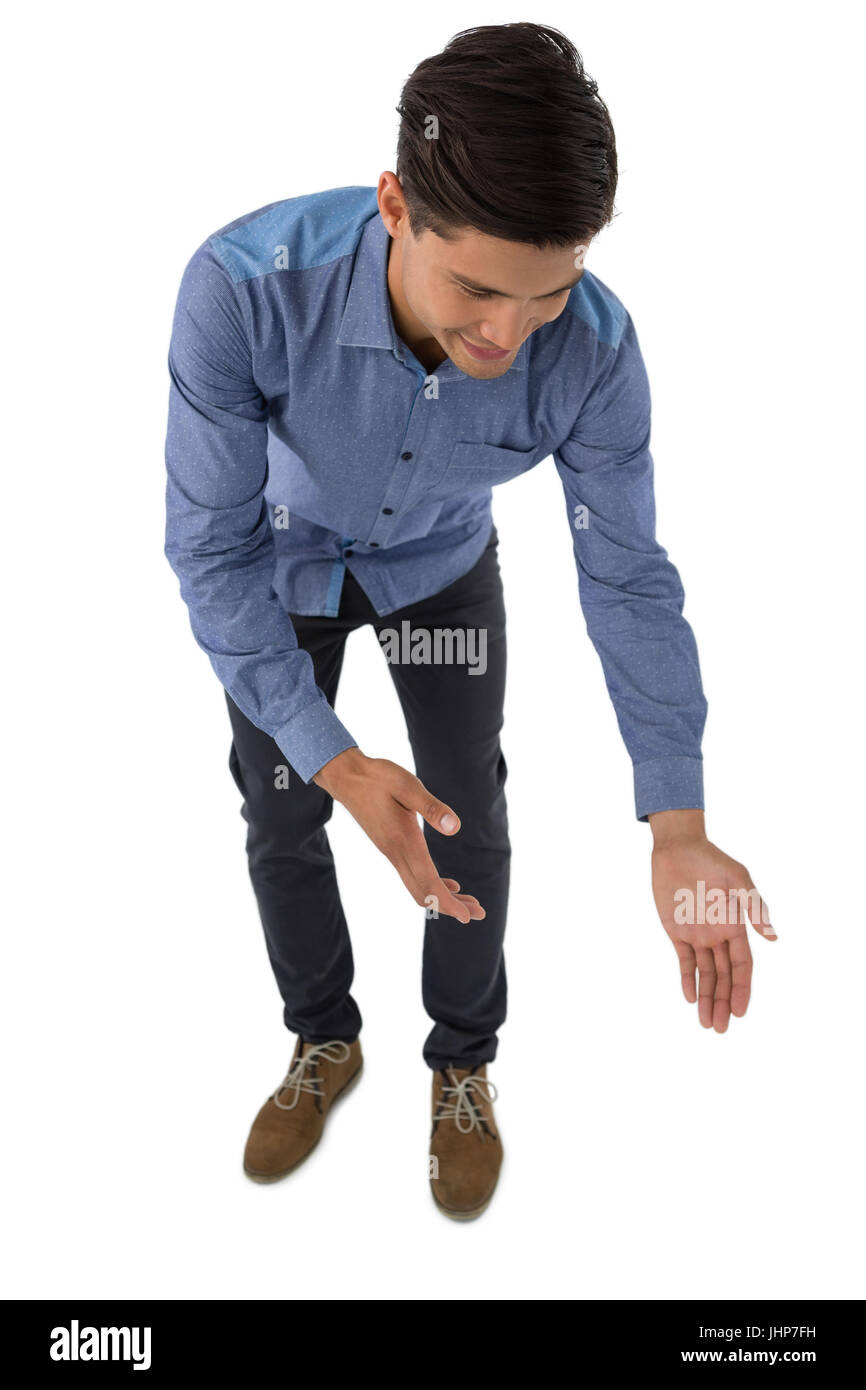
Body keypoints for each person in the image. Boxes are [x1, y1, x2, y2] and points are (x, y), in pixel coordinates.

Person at [164, 21, 775, 1221]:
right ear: (396, 204)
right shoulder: (241, 289)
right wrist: (333, 758)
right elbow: (208, 548)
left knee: (464, 809)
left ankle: (461, 1062)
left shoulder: (592, 352)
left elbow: (628, 576)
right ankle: (322, 1040)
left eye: (545, 296)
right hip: (274, 579)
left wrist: (678, 825)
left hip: (437, 578)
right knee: (285, 813)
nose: (506, 337)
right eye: (477, 291)